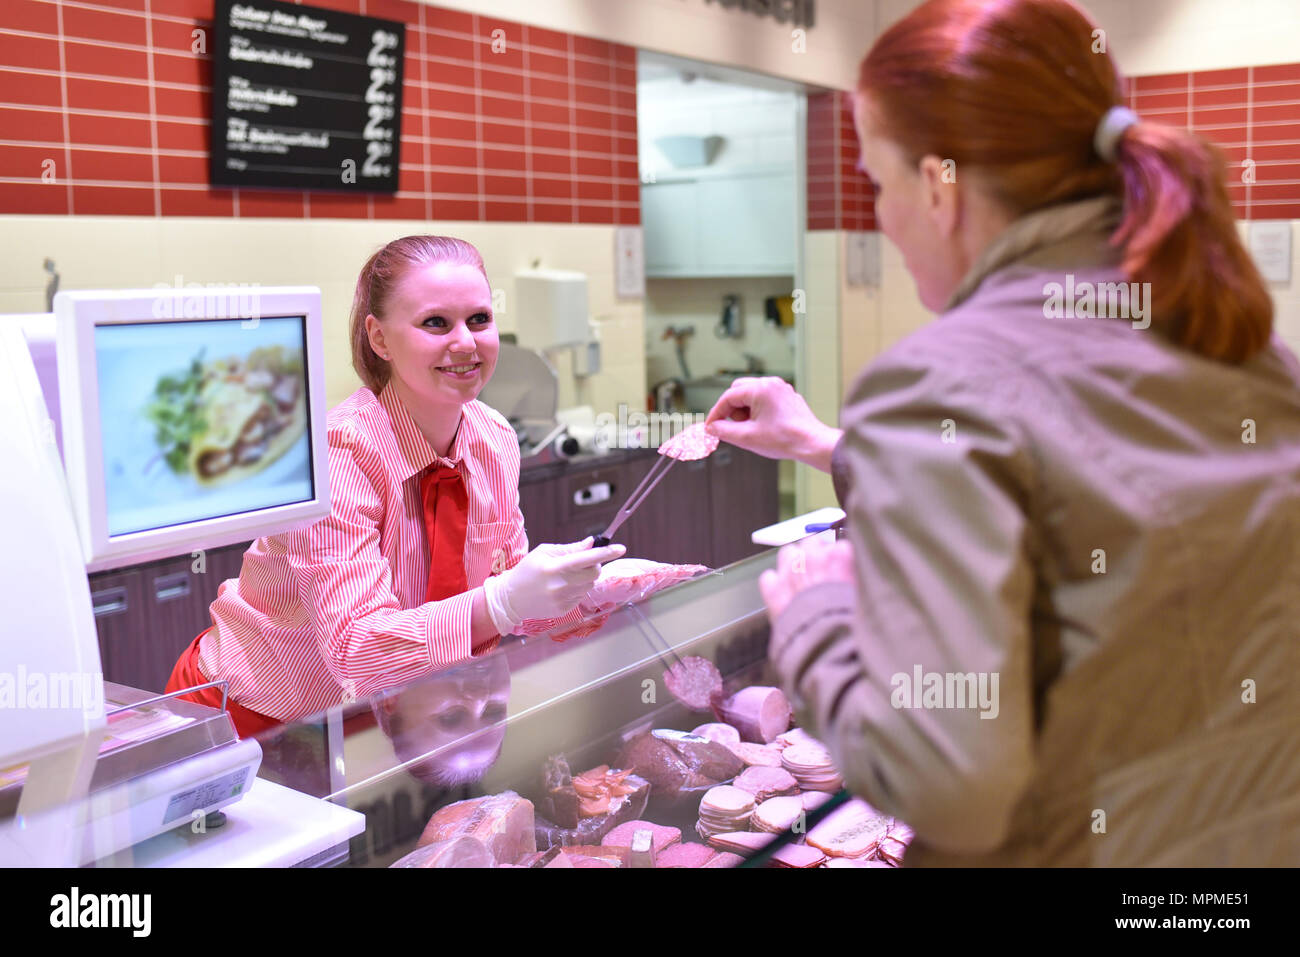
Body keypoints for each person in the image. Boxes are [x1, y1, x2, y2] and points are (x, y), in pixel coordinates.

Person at [707, 0, 1300, 865]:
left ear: (941, 185)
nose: (880, 217)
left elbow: (952, 785)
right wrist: (829, 445)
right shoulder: (1241, 339)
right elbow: (1105, 501)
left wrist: (815, 621)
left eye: (878, 181)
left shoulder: (936, 381)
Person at [165, 236, 623, 738]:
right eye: (435, 323)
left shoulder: (493, 438)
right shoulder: (338, 453)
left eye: (479, 319)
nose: (466, 343)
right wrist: (503, 602)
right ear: (379, 339)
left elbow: (509, 597)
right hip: (254, 717)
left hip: (391, 712)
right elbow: (358, 650)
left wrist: (589, 592)